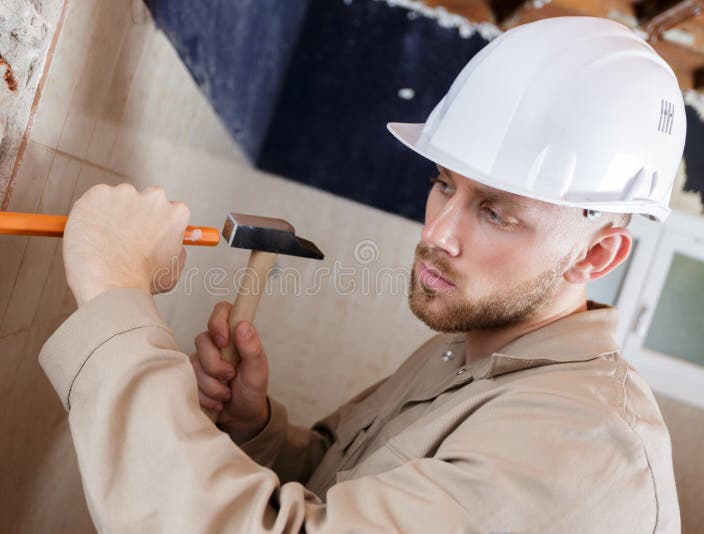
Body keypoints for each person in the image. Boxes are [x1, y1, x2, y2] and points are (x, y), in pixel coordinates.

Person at [39, 16, 684, 533]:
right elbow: (340, 489)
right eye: (444, 183)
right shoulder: (465, 350)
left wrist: (114, 290)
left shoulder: (582, 448)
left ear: (596, 256)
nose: (436, 235)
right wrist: (256, 428)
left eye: (495, 212)